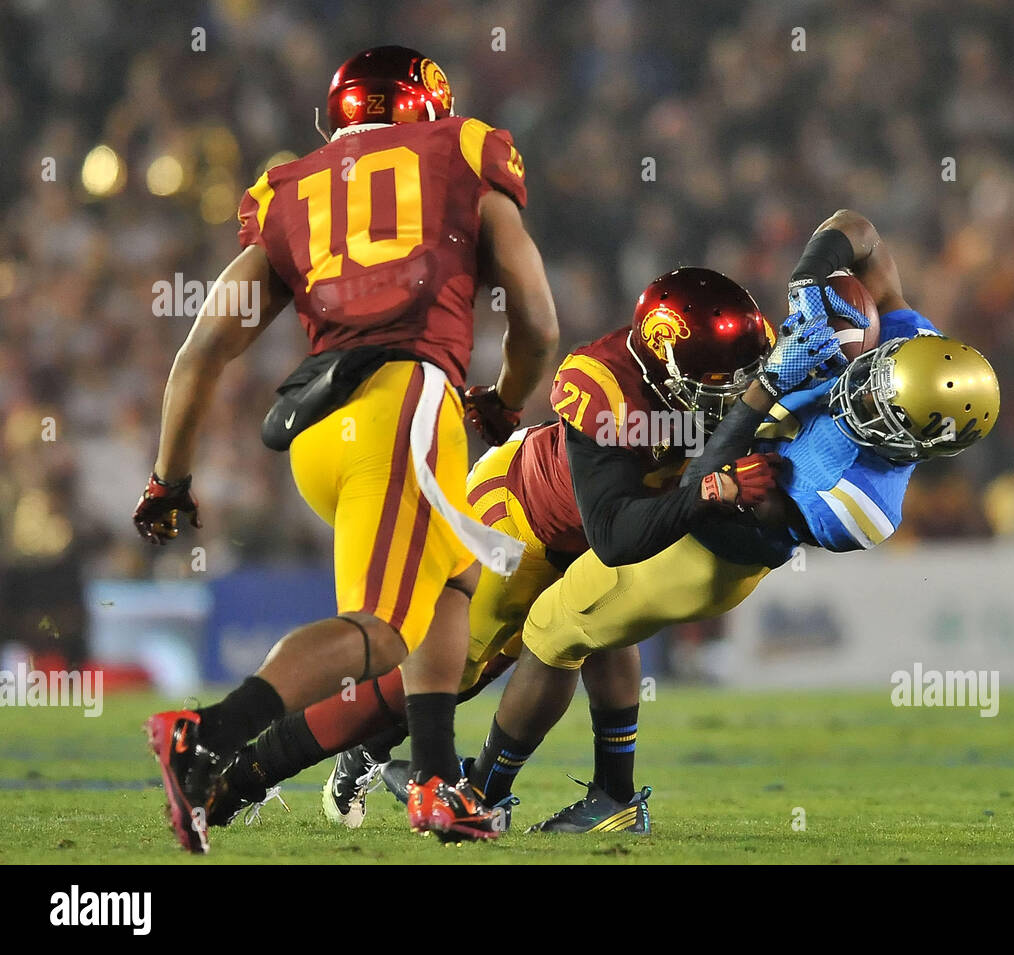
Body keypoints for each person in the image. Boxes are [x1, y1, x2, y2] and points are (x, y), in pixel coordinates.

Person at [134, 46, 558, 851]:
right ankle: (208, 732)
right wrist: (503, 400)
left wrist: (169, 481)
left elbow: (200, 353)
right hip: (405, 400)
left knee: (454, 575)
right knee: (382, 631)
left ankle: (433, 780)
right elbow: (538, 321)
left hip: (318, 426)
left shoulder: (290, 187)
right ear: (427, 109)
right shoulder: (465, 148)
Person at [198, 267, 793, 835]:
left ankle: (580, 795)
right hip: (514, 524)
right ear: (666, 365)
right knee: (434, 681)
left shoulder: (732, 364)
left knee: (598, 632)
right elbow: (616, 535)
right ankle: (256, 771)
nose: (739, 396)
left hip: (581, 534)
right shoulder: (607, 385)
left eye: (747, 376)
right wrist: (715, 489)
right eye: (721, 383)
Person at [457, 209, 1001, 820]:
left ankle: (482, 793)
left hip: (710, 553)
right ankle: (610, 796)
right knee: (599, 638)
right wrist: (810, 278)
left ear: (910, 444)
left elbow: (707, 489)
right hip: (704, 503)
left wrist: (764, 390)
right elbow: (863, 234)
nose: (863, 392)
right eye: (876, 378)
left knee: (551, 633)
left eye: (884, 408)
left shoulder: (861, 502)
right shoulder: (910, 348)